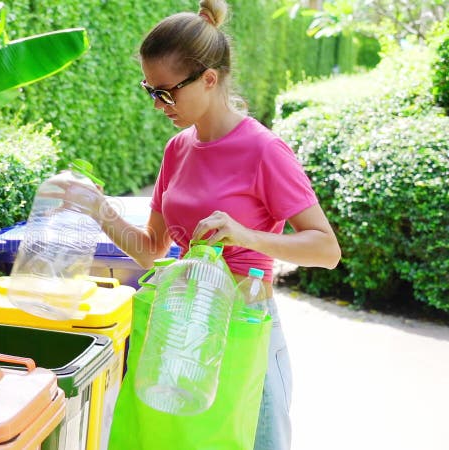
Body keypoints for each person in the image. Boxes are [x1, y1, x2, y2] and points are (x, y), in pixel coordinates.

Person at [65, 1, 341, 449]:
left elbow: (326, 249)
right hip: (180, 325)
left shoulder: (264, 150)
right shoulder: (178, 148)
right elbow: (151, 249)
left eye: (166, 92)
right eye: (150, 90)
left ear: (209, 79)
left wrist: (247, 235)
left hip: (243, 326)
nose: (158, 104)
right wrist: (97, 208)